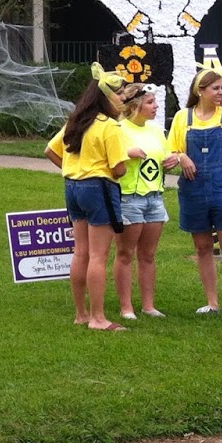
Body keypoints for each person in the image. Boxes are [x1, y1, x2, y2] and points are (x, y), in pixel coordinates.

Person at [45, 70, 129, 331]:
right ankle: (98, 318)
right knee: (98, 256)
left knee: (80, 252)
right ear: (107, 96)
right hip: (99, 188)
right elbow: (119, 169)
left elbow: (50, 150)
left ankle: (81, 313)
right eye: (120, 94)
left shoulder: (77, 120)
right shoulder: (109, 126)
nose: (124, 99)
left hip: (73, 187)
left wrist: (73, 169)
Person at [170, 69, 222, 323]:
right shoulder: (183, 118)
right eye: (216, 88)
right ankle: (212, 302)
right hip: (193, 188)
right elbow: (171, 151)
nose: (221, 93)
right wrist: (182, 156)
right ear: (200, 91)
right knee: (202, 246)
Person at [113, 84, 183, 319]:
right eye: (151, 102)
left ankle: (148, 305)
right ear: (136, 106)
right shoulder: (118, 129)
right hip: (129, 197)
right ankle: (126, 307)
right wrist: (126, 153)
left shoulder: (155, 131)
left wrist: (173, 159)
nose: (156, 107)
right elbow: (108, 159)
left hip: (154, 197)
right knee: (125, 253)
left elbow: (165, 154)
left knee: (149, 254)